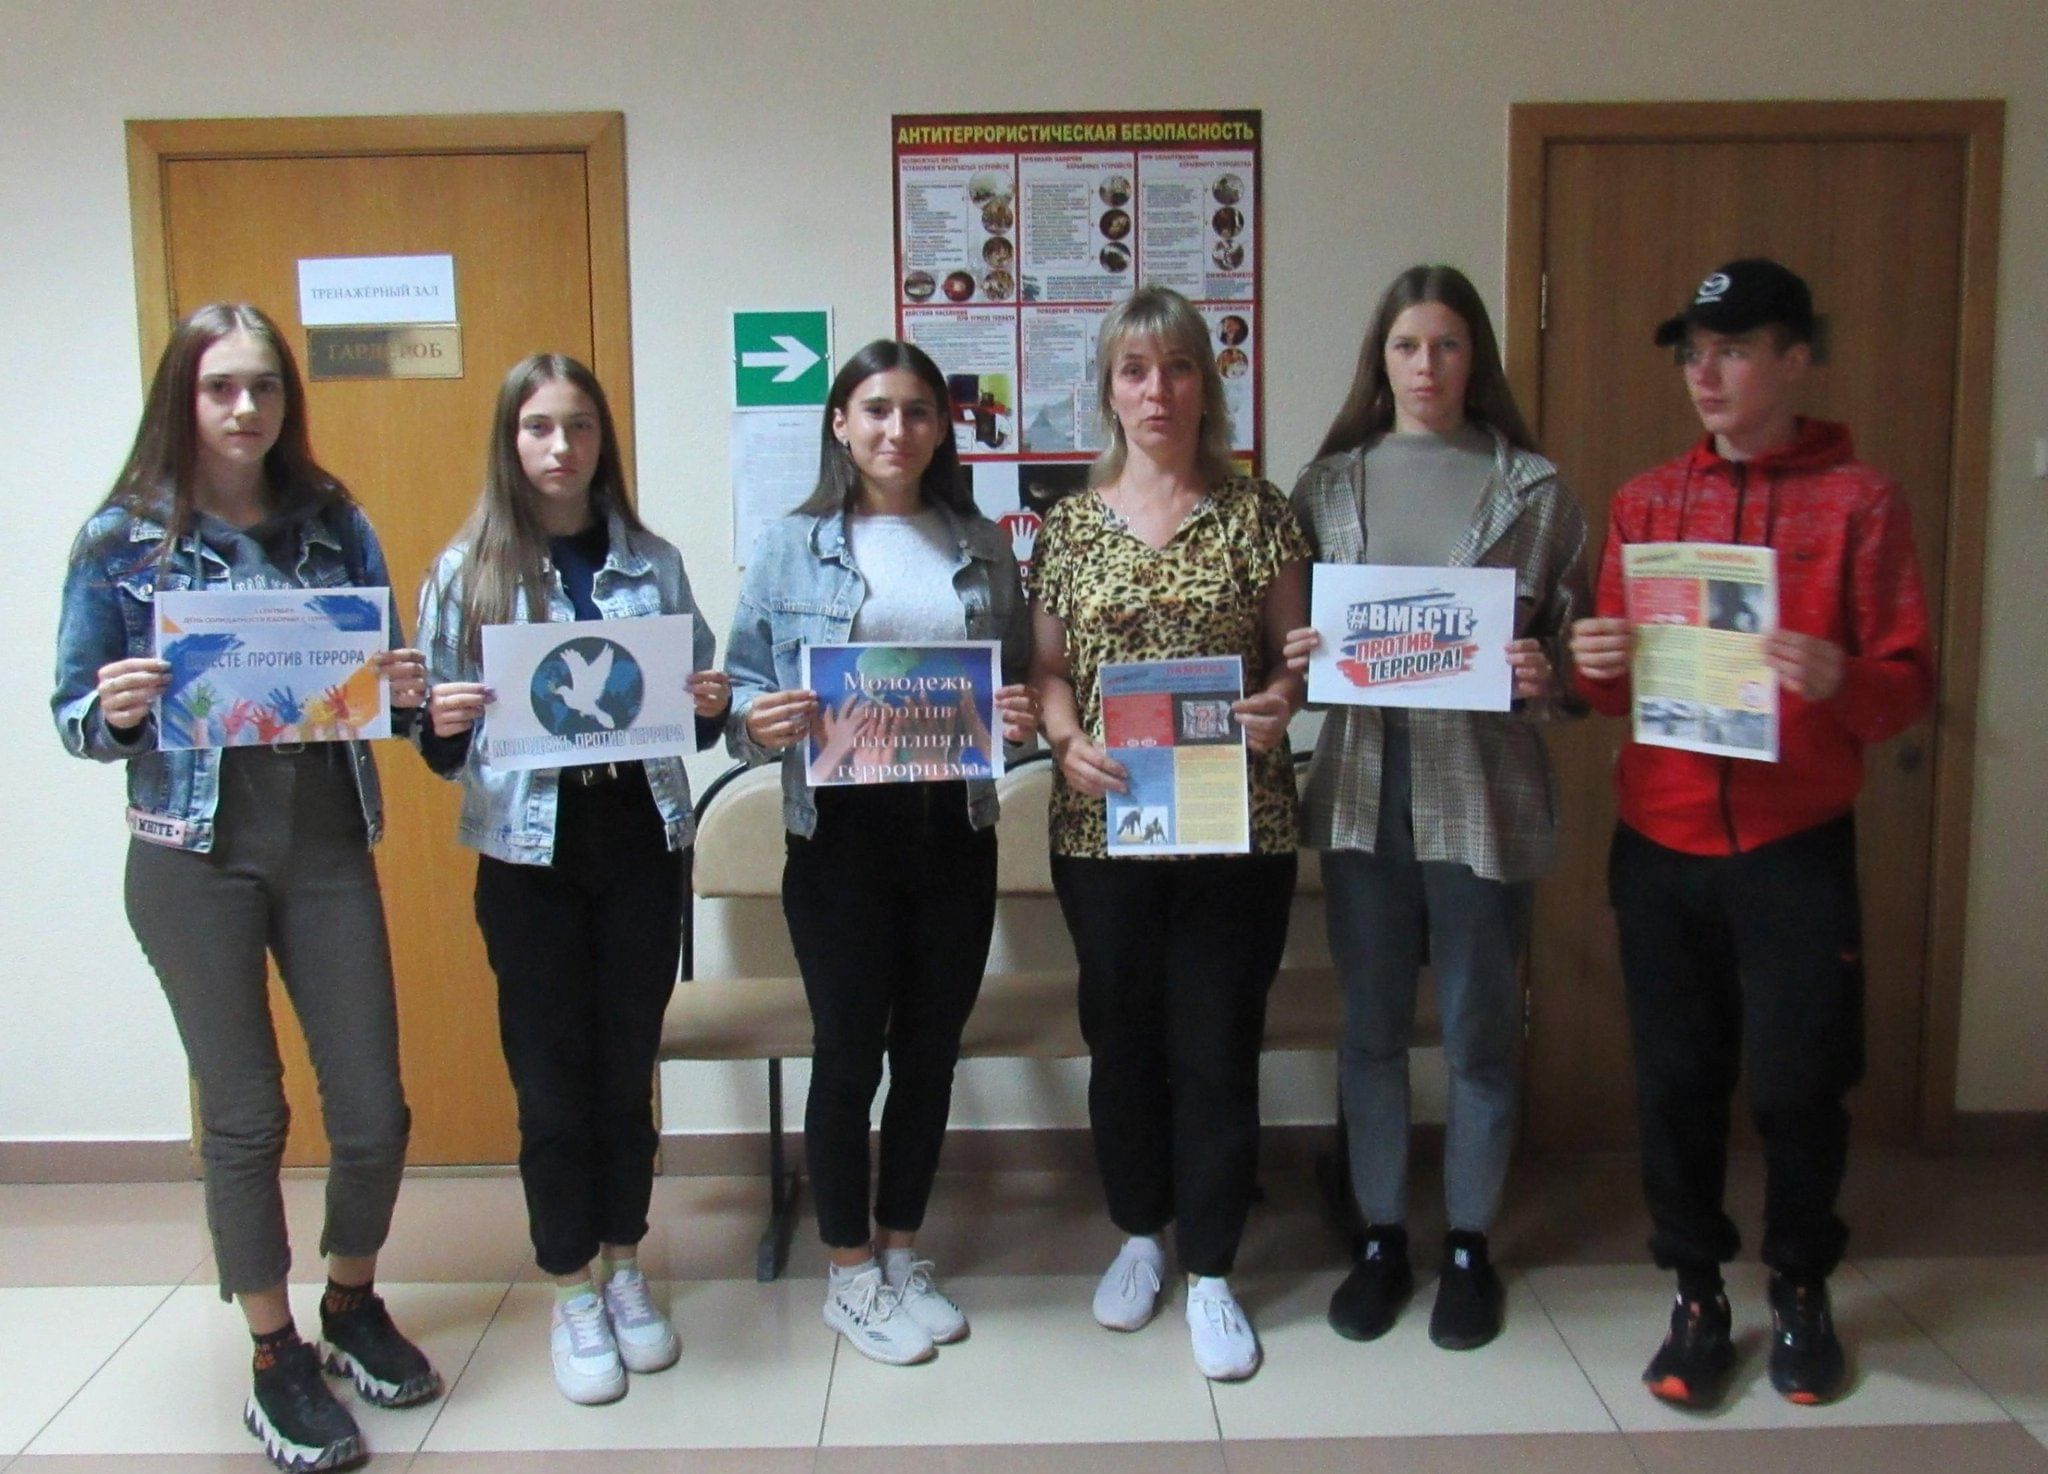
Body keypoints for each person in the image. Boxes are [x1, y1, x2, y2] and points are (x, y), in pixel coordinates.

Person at [52, 302, 440, 1473]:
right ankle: (274, 1354)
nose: (244, 408)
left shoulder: (334, 521)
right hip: (191, 855)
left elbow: (386, 689)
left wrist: (408, 689)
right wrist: (116, 711)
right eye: (220, 386)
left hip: (325, 843)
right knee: (245, 1113)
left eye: (263, 386)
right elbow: (75, 714)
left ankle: (349, 1300)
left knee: (372, 1107)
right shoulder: (120, 539)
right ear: (184, 397)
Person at [1569, 259, 1935, 1408]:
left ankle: (1798, 1287)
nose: (1704, 374)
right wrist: (1594, 663)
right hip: (1659, 842)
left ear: (1793, 359)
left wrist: (1840, 676)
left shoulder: (1858, 502)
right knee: (1676, 1082)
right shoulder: (1645, 502)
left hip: (1793, 847)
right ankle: (1694, 1294)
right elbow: (1612, 689)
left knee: (1795, 1083)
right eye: (1692, 353)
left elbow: (1906, 685)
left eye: (1730, 350)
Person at [1283, 264, 1590, 1351]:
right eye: (1407, 346)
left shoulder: (1533, 491)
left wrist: (1544, 670)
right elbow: (1286, 648)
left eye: (1448, 345)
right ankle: (1379, 1235)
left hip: (1483, 796)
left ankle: (1466, 1242)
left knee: (1475, 1033)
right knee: (1370, 1031)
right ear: (1381, 359)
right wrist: (1297, 656)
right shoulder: (1326, 487)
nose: (1427, 367)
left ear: (1476, 358)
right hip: (1364, 792)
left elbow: (1579, 656)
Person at [417, 354, 729, 1405]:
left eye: (580, 426)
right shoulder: (467, 571)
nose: (561, 447)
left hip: (640, 838)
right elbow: (438, 747)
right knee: (550, 1083)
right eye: (539, 427)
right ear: (510, 441)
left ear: (604, 440)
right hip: (529, 857)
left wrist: (710, 700)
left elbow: (692, 714)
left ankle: (626, 1263)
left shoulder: (652, 561)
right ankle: (570, 1284)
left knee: (624, 1070)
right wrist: (440, 720)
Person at [726, 339, 1036, 1366]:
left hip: (954, 830)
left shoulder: (981, 543)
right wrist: (756, 719)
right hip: (839, 838)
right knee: (849, 1050)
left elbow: (1014, 682)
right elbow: (736, 689)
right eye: (874, 409)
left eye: (915, 411)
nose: (895, 429)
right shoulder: (789, 546)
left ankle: (901, 1251)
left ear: (942, 427)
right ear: (840, 424)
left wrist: (1015, 715)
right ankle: (849, 1272)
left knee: (931, 1052)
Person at [1029, 285, 1309, 1381]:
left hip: (1236, 828)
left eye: (1179, 367)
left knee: (1217, 1041)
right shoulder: (1067, 526)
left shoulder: (1259, 513)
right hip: (1105, 827)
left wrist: (1278, 704)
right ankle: (1140, 1233)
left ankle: (1215, 1270)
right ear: (1108, 389)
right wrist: (1064, 742)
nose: (1158, 391)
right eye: (1135, 370)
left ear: (1207, 384)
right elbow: (1048, 671)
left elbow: (1291, 663)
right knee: (1123, 1037)